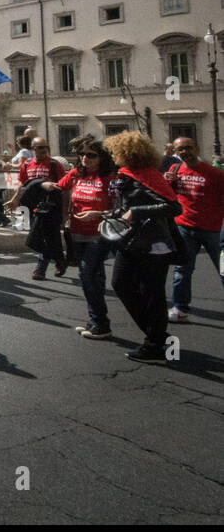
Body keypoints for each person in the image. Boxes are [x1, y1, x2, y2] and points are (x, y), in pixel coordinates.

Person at [103, 131, 184, 363]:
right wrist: (102, 214)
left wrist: (136, 212)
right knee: (121, 284)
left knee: (152, 294)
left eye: (114, 152)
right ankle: (157, 336)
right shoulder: (128, 175)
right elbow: (124, 208)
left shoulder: (148, 176)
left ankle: (155, 342)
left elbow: (173, 207)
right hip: (131, 241)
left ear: (127, 153)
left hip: (153, 245)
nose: (112, 156)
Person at [53, 136, 118, 339]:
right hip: (77, 233)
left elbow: (120, 210)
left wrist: (97, 213)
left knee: (88, 275)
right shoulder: (75, 174)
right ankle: (96, 320)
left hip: (98, 234)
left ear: (102, 157)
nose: (85, 158)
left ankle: (101, 323)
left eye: (91, 155)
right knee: (90, 277)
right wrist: (37, 185)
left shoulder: (110, 178)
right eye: (82, 154)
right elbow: (58, 186)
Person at [164, 136, 224, 322]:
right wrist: (167, 182)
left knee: (223, 270)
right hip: (184, 227)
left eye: (188, 148)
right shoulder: (175, 170)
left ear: (196, 149)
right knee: (182, 270)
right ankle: (180, 308)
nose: (185, 152)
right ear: (175, 152)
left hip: (213, 229)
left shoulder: (215, 174)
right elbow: (169, 196)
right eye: (180, 149)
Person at [9, 137, 68, 279]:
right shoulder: (27, 164)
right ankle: (60, 260)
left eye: (46, 147)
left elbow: (64, 187)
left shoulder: (54, 164)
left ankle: (40, 268)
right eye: (40, 147)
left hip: (50, 206)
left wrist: (65, 210)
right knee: (49, 238)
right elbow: (23, 185)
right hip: (33, 205)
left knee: (42, 237)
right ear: (33, 149)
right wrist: (15, 199)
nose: (44, 150)